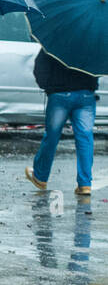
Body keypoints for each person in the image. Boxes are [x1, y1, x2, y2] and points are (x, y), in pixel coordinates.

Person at [26, 48, 96, 197]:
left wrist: (48, 87)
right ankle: (85, 184)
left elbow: (40, 67)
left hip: (59, 95)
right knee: (85, 137)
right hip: (86, 95)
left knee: (52, 136)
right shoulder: (92, 41)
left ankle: (40, 177)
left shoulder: (57, 38)